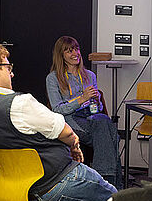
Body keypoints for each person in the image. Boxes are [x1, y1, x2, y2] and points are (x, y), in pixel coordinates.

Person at [0, 42, 114, 201]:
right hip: (48, 183)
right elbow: (66, 132)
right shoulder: (20, 103)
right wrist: (74, 145)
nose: (12, 73)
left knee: (91, 200)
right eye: (7, 67)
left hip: (2, 187)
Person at [46, 35, 121, 187]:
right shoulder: (53, 78)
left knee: (102, 123)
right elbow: (57, 109)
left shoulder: (90, 75)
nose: (75, 54)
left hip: (92, 117)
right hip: (71, 119)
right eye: (69, 51)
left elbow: (97, 109)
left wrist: (97, 102)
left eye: (77, 49)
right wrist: (81, 99)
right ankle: (113, 184)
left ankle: (102, 184)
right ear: (61, 56)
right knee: (111, 134)